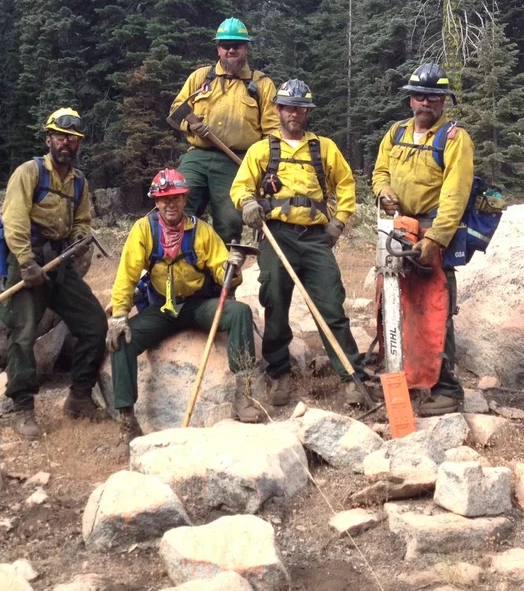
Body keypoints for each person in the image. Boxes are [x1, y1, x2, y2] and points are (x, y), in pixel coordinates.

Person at [230, 80, 374, 407]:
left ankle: (352, 375)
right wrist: (249, 204)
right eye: (287, 107)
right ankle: (279, 372)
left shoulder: (323, 148)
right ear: (278, 110)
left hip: (315, 240)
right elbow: (240, 188)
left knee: (331, 305)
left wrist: (338, 222)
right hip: (276, 236)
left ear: (307, 112)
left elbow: (346, 184)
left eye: (299, 108)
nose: (293, 113)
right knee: (276, 306)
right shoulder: (262, 150)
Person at [107, 168, 262, 444]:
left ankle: (243, 395)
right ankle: (126, 418)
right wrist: (119, 314)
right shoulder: (144, 230)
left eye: (176, 198)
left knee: (240, 312)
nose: (170, 204)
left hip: (197, 306)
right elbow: (127, 275)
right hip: (161, 309)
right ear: (155, 201)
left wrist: (233, 269)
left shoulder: (201, 231)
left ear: (184, 199)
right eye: (164, 198)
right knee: (121, 339)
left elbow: (223, 274)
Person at [0, 107, 109, 439]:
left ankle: (78, 397)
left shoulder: (79, 183)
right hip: (27, 262)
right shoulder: (29, 173)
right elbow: (13, 219)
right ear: (49, 139)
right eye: (61, 137)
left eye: (73, 139)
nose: (67, 144)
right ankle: (23, 407)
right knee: (23, 334)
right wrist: (26, 262)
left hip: (60, 265)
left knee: (93, 324)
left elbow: (82, 222)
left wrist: (79, 242)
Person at [372, 63, 474, 415]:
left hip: (432, 234)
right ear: (410, 100)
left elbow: (455, 194)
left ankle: (446, 387)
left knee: (435, 308)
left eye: (433, 97)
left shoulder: (455, 139)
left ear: (444, 101)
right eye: (419, 96)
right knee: (394, 303)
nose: (425, 103)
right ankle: (401, 375)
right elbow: (380, 170)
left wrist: (437, 240)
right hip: (399, 230)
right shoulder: (396, 133)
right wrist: (383, 190)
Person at [169, 17, 279, 245]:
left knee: (230, 222)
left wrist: (264, 168)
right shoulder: (200, 78)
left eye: (236, 45)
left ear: (245, 48)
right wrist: (191, 125)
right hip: (197, 156)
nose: (231, 50)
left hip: (236, 160)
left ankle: (223, 275)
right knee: (176, 203)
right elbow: (176, 109)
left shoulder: (262, 84)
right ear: (218, 48)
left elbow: (273, 131)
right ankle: (177, 263)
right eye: (225, 45)